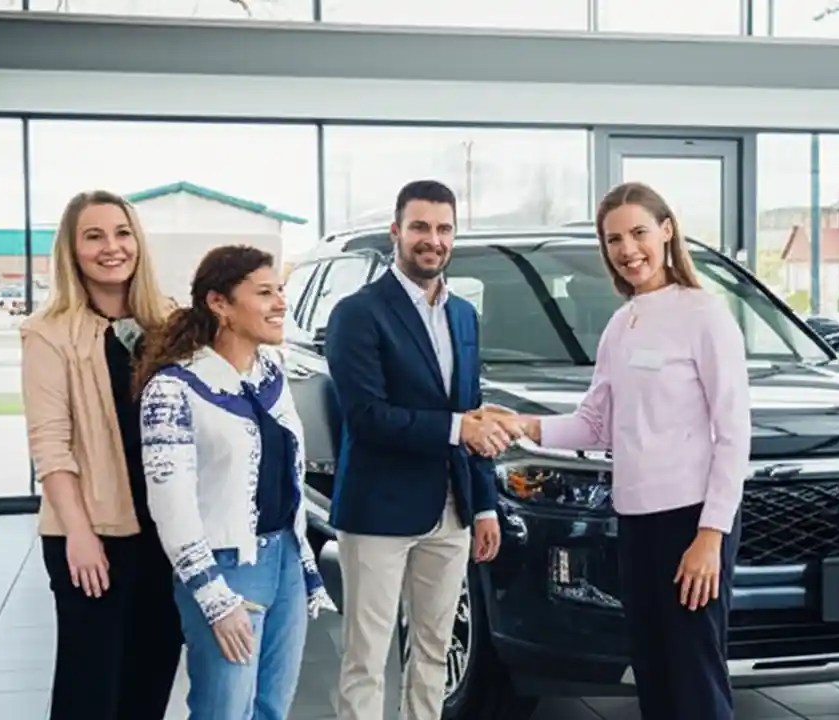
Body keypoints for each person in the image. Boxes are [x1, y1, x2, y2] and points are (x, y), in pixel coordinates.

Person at [484, 182, 751, 720]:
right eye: (613, 239)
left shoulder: (704, 314)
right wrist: (520, 426)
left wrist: (710, 536)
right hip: (635, 521)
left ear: (667, 231)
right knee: (653, 673)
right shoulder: (620, 325)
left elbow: (734, 432)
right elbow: (596, 424)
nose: (628, 250)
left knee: (694, 675)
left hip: (691, 521)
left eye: (639, 233)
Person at [325, 179, 513, 720]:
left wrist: (482, 505)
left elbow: (472, 410)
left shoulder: (463, 316)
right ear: (396, 233)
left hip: (451, 510)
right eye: (420, 227)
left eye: (444, 228)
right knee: (366, 657)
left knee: (434, 650)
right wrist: (458, 429)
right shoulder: (357, 313)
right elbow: (367, 418)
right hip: (379, 510)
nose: (433, 239)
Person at [135, 245, 330, 720]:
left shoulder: (272, 372)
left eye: (279, 290)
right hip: (226, 567)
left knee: (270, 710)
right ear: (218, 303)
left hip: (283, 556)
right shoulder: (173, 389)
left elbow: (285, 478)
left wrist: (302, 566)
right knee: (223, 712)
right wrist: (215, 599)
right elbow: (171, 509)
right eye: (264, 292)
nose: (281, 302)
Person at [19, 190, 181, 720]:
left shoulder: (169, 325)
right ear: (72, 250)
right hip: (95, 535)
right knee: (90, 690)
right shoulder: (48, 333)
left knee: (151, 677)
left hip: (166, 531)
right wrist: (80, 535)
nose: (112, 247)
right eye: (94, 236)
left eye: (122, 232)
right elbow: (50, 443)